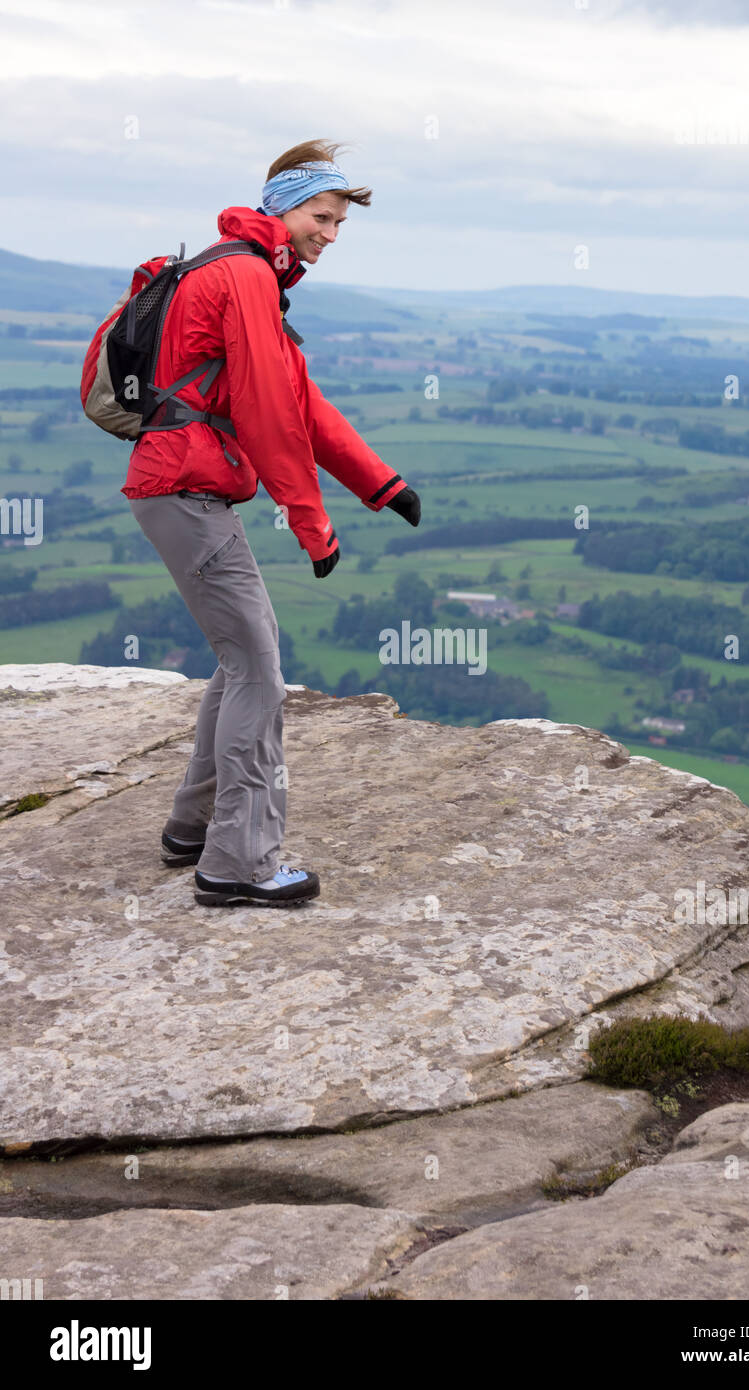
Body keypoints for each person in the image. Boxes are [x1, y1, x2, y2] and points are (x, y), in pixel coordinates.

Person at [123, 140, 421, 908]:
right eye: (323, 216)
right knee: (259, 669)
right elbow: (263, 413)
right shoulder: (247, 276)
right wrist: (312, 524)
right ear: (283, 207)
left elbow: (301, 404)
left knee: (239, 661)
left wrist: (379, 484)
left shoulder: (242, 272)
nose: (330, 233)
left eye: (339, 221)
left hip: (182, 493)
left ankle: (193, 831)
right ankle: (241, 863)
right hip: (187, 494)